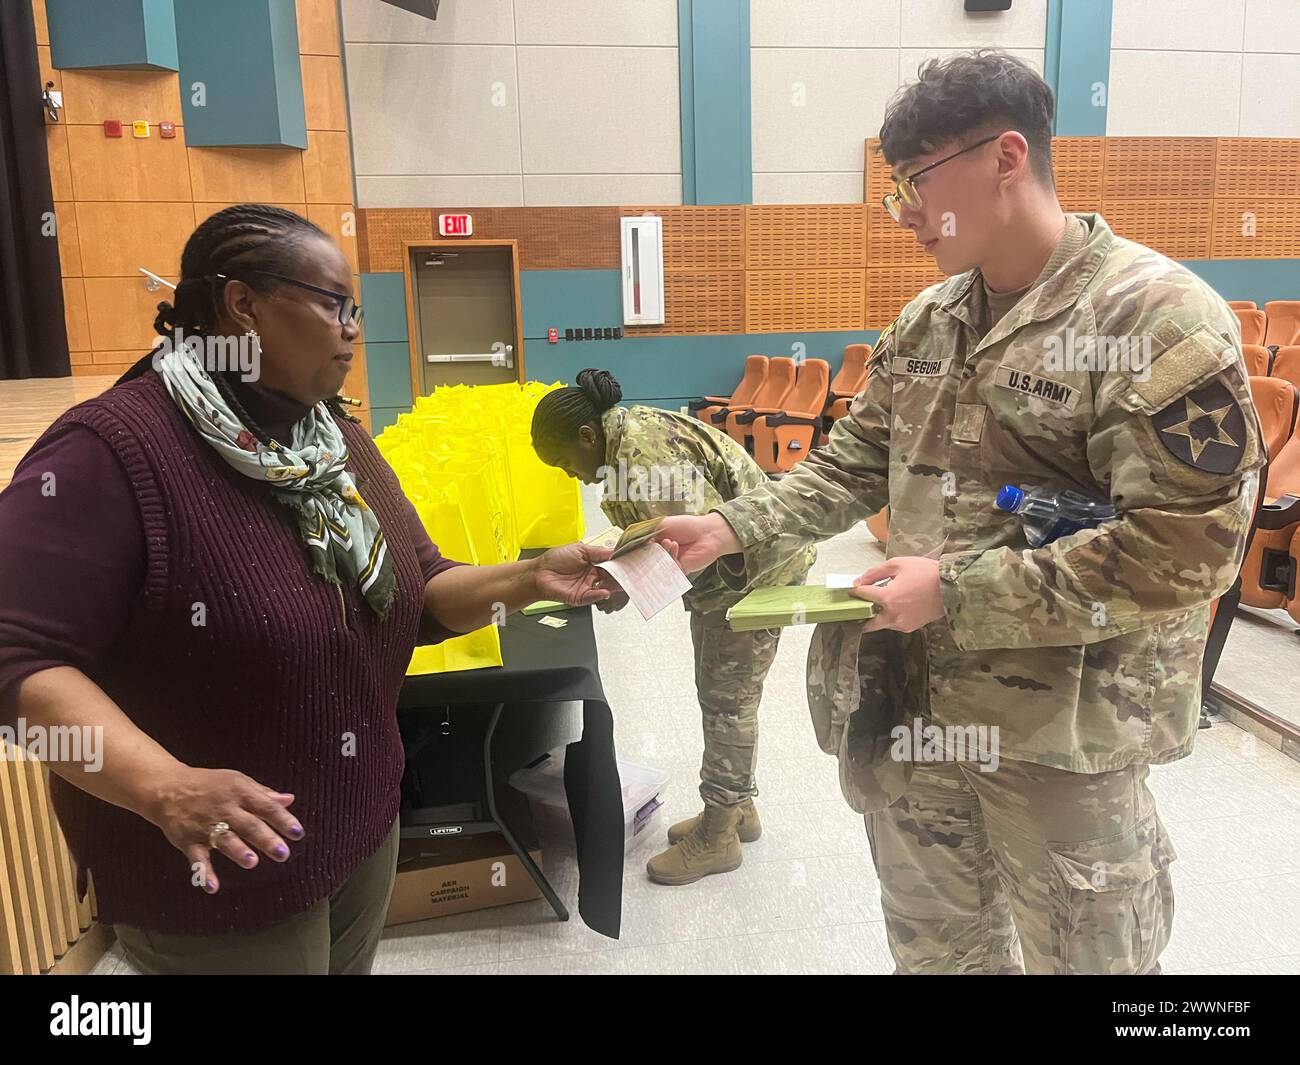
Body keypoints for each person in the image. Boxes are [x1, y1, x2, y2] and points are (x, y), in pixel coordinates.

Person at [653, 52, 1263, 973]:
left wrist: (958, 592)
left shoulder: (1156, 320)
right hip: (916, 713)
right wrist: (736, 525)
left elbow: (1187, 550)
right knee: (941, 957)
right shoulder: (929, 321)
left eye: (915, 181)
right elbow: (857, 460)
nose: (900, 211)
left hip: (1063, 739)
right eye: (891, 186)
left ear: (1005, 157)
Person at [0, 205, 613, 975]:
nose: (352, 327)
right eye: (333, 304)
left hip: (357, 833)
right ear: (242, 305)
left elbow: (421, 589)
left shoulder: (331, 437)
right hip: (217, 876)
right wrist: (165, 788)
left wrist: (530, 579)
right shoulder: (112, 453)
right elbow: (19, 660)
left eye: (356, 308)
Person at [531, 369, 814, 885]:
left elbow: (694, 551)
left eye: (566, 462)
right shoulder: (623, 439)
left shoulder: (641, 459)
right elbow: (648, 531)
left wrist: (622, 588)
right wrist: (616, 574)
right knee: (728, 694)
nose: (571, 475)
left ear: (587, 436)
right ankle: (739, 809)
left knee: (728, 700)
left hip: (753, 571)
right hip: (748, 562)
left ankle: (720, 835)